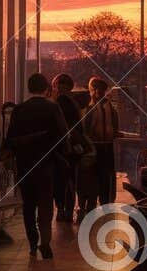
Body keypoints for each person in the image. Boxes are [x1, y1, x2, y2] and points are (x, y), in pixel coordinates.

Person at [5, 73, 70, 258]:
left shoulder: (19, 110)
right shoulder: (52, 108)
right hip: (47, 164)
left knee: (28, 204)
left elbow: (10, 139)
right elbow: (63, 135)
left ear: (29, 88)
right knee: (45, 203)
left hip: (25, 164)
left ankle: (32, 243)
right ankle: (46, 241)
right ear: (46, 88)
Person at [82, 76, 121, 212]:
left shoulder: (97, 107)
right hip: (98, 147)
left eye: (101, 89)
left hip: (102, 146)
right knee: (99, 178)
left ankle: (98, 205)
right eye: (96, 88)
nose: (99, 91)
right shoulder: (102, 107)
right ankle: (97, 205)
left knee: (101, 178)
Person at [52, 72, 85, 226]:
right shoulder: (74, 103)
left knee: (60, 180)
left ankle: (61, 209)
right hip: (74, 147)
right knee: (71, 179)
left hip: (60, 146)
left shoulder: (57, 102)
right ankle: (68, 210)